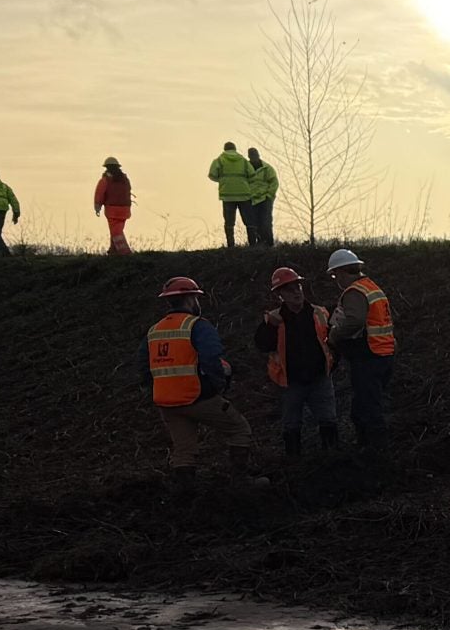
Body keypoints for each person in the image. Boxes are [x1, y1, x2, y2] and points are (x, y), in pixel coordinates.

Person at [144, 275, 256, 485]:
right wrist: (217, 386)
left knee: (184, 449)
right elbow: (212, 358)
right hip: (198, 397)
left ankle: (185, 494)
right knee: (239, 429)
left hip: (166, 403)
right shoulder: (197, 326)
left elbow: (143, 367)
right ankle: (241, 482)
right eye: (196, 298)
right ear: (189, 299)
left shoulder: (154, 330)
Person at [252, 266, 340, 458]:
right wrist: (270, 327)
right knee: (291, 424)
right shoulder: (274, 319)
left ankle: (332, 459)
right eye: (289, 289)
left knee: (328, 419)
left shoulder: (319, 313)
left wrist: (333, 363)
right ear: (280, 294)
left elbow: (334, 341)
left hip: (319, 377)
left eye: (297, 287)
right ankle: (294, 462)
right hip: (291, 381)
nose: (296, 292)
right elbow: (262, 345)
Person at [325, 248, 395, 452]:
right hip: (385, 354)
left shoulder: (355, 292)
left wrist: (334, 336)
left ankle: (375, 452)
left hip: (368, 357)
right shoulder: (372, 288)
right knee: (366, 405)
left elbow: (355, 321)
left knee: (368, 407)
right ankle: (369, 448)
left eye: (335, 275)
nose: (336, 280)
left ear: (342, 272)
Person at [206, 140, 252, 249]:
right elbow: (251, 173)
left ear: (224, 149)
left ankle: (231, 245)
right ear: (235, 149)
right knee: (249, 220)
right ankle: (253, 245)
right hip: (244, 193)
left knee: (229, 221)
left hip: (227, 195)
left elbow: (211, 175)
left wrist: (222, 180)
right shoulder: (243, 160)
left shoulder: (219, 160)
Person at [91, 157, 133, 254]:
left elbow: (99, 193)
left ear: (106, 168)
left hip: (112, 210)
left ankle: (125, 252)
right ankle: (113, 251)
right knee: (116, 231)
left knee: (116, 233)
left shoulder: (105, 180)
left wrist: (97, 207)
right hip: (125, 210)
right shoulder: (125, 180)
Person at [243, 146, 279, 244]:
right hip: (251, 200)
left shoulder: (267, 168)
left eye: (255, 155)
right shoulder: (245, 169)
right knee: (254, 223)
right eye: (252, 156)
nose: (254, 157)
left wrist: (269, 196)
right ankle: (259, 244)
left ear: (258, 155)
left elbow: (274, 182)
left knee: (266, 222)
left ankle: (269, 244)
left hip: (265, 199)